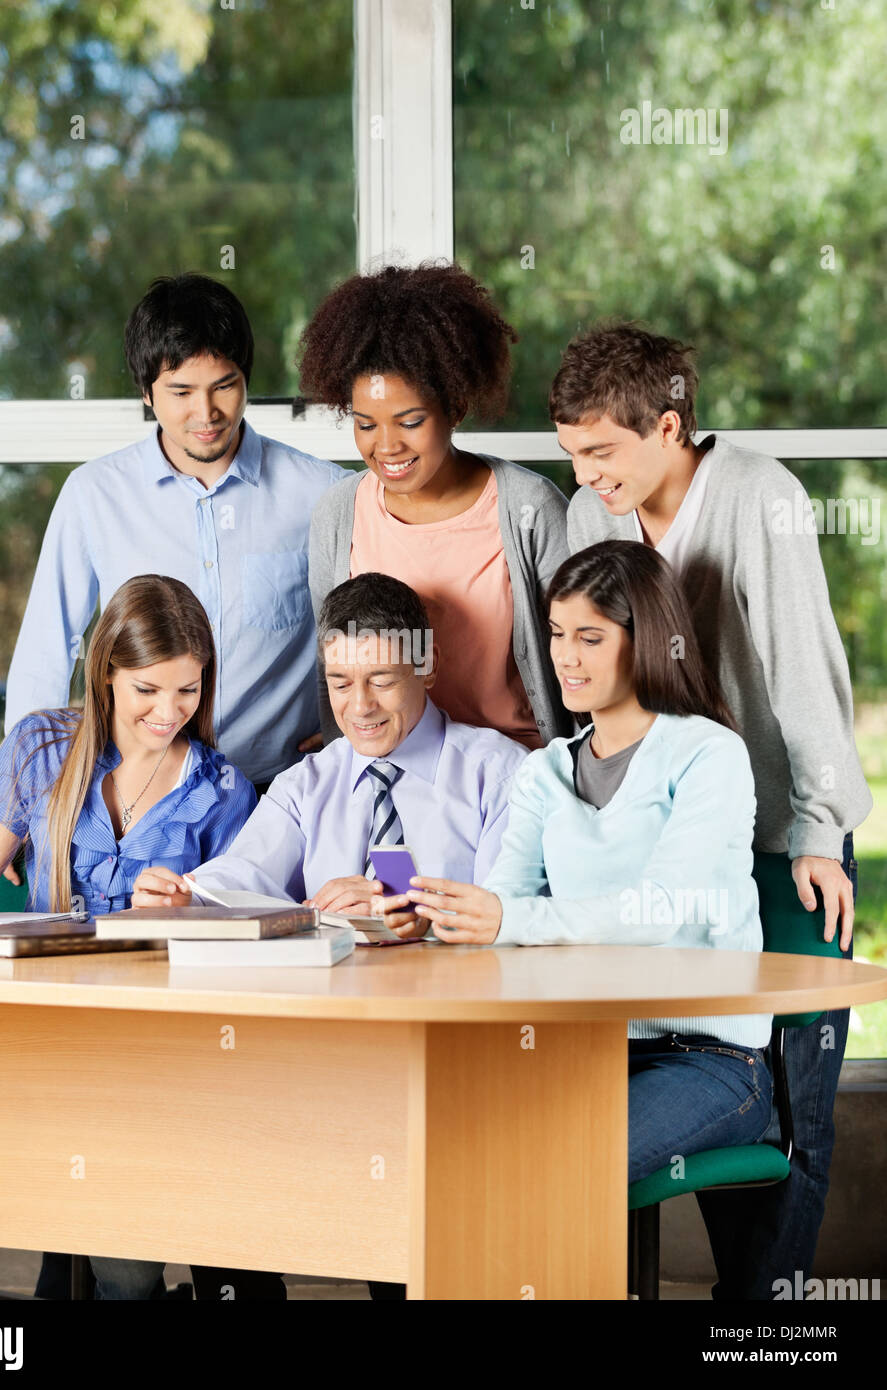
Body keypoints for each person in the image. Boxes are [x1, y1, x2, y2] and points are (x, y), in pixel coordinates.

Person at [552, 323, 871, 1299]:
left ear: (671, 425)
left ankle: (766, 1327)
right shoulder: (587, 516)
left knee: (790, 1118)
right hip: (673, 856)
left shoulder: (758, 498)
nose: (588, 474)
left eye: (603, 451)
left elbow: (802, 671)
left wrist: (818, 828)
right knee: (698, 1082)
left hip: (781, 840)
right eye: (572, 454)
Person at [134, 571, 529, 1299]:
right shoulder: (306, 784)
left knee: (403, 1178)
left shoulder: (497, 773)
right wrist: (193, 892)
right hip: (327, 1055)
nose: (359, 706)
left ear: (427, 666)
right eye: (340, 682)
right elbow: (237, 879)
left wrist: (432, 923)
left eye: (381, 679)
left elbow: (520, 916)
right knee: (210, 1132)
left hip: (454, 1060)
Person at [0, 573, 256, 1301]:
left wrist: (189, 910)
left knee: (126, 1273)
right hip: (34, 1028)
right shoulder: (42, 744)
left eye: (188, 691)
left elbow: (244, 939)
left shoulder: (223, 791)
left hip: (152, 1047)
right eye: (147, 690)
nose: (168, 712)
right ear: (105, 674)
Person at [406, 542, 775, 1191]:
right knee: (427, 1147)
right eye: (554, 634)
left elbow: (660, 910)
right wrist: (428, 918)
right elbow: (502, 911)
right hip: (574, 1045)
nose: (565, 657)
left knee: (555, 1168)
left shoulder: (706, 755)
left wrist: (506, 918)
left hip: (704, 1058)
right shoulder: (544, 770)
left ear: (647, 641)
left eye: (589, 637)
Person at [4, 272, 346, 793]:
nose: (205, 413)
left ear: (246, 378)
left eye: (224, 386)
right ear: (147, 391)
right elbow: (47, 651)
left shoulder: (323, 491)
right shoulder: (93, 494)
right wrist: (20, 795)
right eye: (180, 391)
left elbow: (367, 627)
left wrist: (348, 727)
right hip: (139, 799)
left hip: (278, 797)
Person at [301, 262, 570, 751]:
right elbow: (332, 664)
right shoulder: (338, 515)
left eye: (409, 421)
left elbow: (584, 658)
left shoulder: (529, 509)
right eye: (366, 424)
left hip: (518, 772)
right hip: (394, 775)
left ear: (455, 408)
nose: (386, 446)